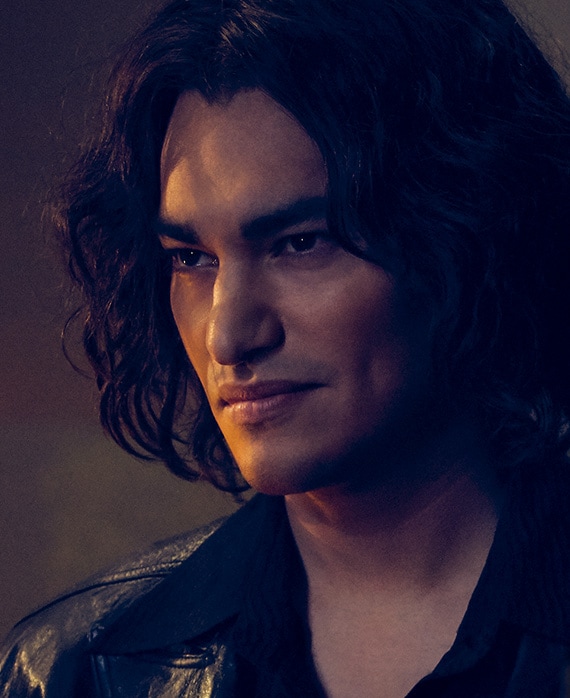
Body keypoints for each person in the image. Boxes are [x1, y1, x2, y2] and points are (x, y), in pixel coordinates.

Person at [2, 0, 570, 695]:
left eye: (300, 243)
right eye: (190, 258)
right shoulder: (69, 672)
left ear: (469, 240)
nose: (228, 335)